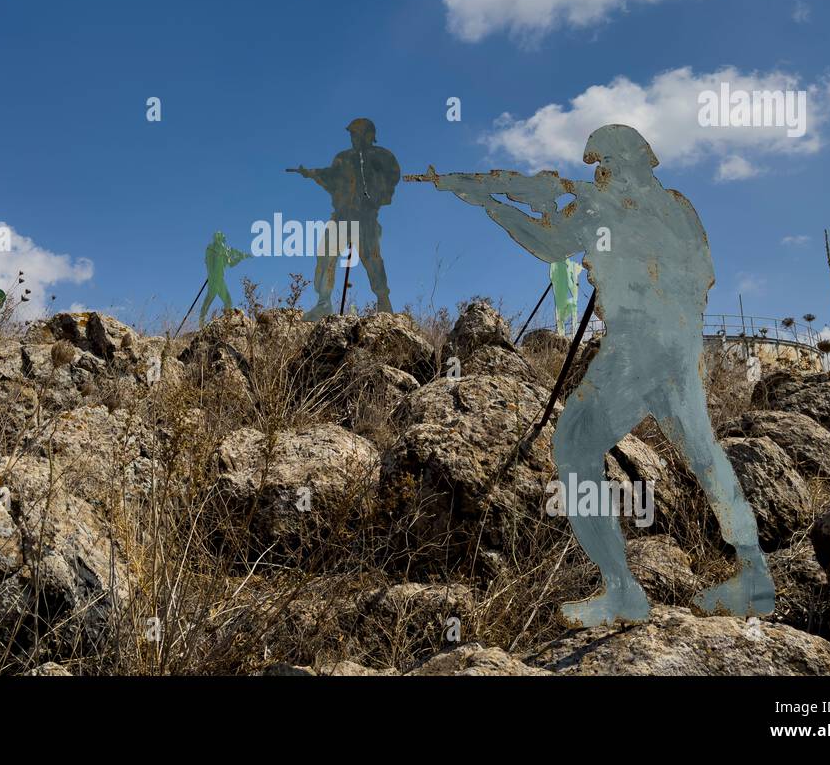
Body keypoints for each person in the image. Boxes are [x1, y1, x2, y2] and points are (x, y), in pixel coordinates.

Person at [426, 124, 773, 628]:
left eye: (604, 165)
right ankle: (754, 572)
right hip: (681, 341)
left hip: (638, 341)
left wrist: (491, 205)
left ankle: (622, 590)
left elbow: (547, 245)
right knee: (705, 455)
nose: (600, 175)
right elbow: (704, 273)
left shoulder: (597, 205)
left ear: (623, 163)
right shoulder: (678, 205)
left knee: (574, 446)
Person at [289, 118, 399, 320]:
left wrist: (376, 195)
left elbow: (393, 177)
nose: (353, 138)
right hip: (341, 217)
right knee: (325, 255)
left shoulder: (381, 156)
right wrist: (310, 173)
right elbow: (330, 176)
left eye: (356, 134)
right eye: (351, 135)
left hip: (365, 218)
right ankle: (323, 303)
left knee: (372, 259)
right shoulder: (343, 158)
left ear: (368, 135)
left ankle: (383, 300)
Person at [200, 231, 249, 326]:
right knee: (211, 300)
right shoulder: (211, 248)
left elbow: (230, 263)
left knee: (223, 301)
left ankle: (226, 321)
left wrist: (240, 258)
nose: (221, 242)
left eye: (222, 239)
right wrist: (211, 275)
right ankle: (202, 321)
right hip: (214, 278)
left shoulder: (223, 251)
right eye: (219, 239)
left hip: (219, 278)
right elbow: (208, 262)